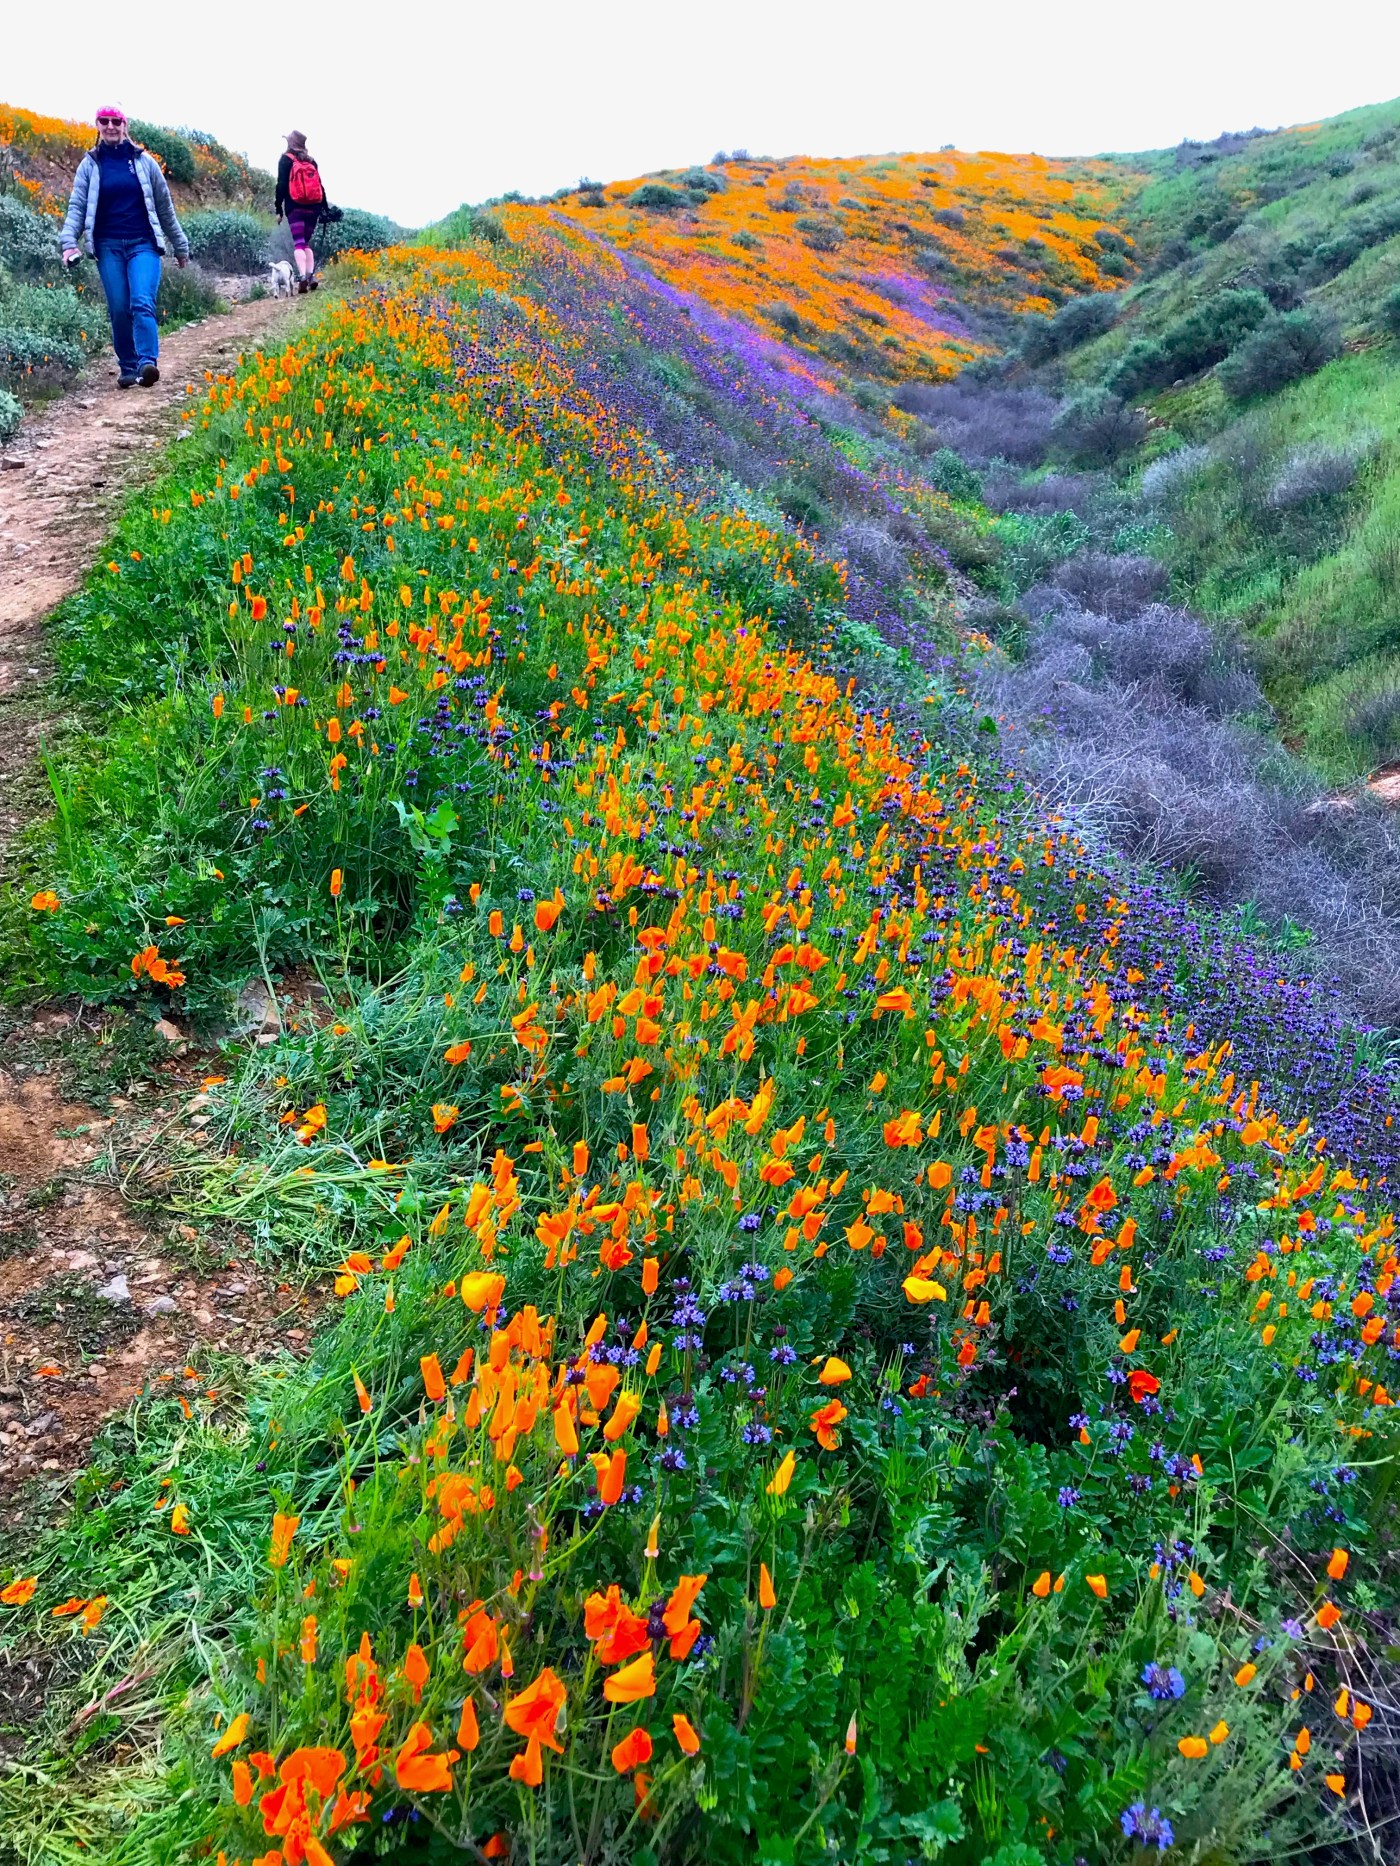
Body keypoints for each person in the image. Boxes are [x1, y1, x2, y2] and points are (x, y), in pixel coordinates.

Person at [60, 106, 190, 390]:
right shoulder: (90, 165)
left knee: (141, 301)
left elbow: (165, 208)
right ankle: (128, 367)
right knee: (119, 308)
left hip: (143, 243)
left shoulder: (145, 163)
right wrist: (69, 242)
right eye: (104, 121)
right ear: (97, 125)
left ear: (124, 125)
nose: (110, 126)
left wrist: (180, 246)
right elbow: (77, 207)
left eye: (115, 121)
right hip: (108, 247)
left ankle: (147, 362)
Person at [275, 132, 326, 293]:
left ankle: (303, 277)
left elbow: (281, 186)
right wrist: (324, 208)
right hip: (314, 207)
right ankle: (311, 277)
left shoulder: (285, 160)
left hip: (295, 207)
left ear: (290, 143)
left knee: (299, 243)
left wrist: (278, 209)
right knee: (306, 243)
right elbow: (320, 186)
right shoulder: (311, 161)